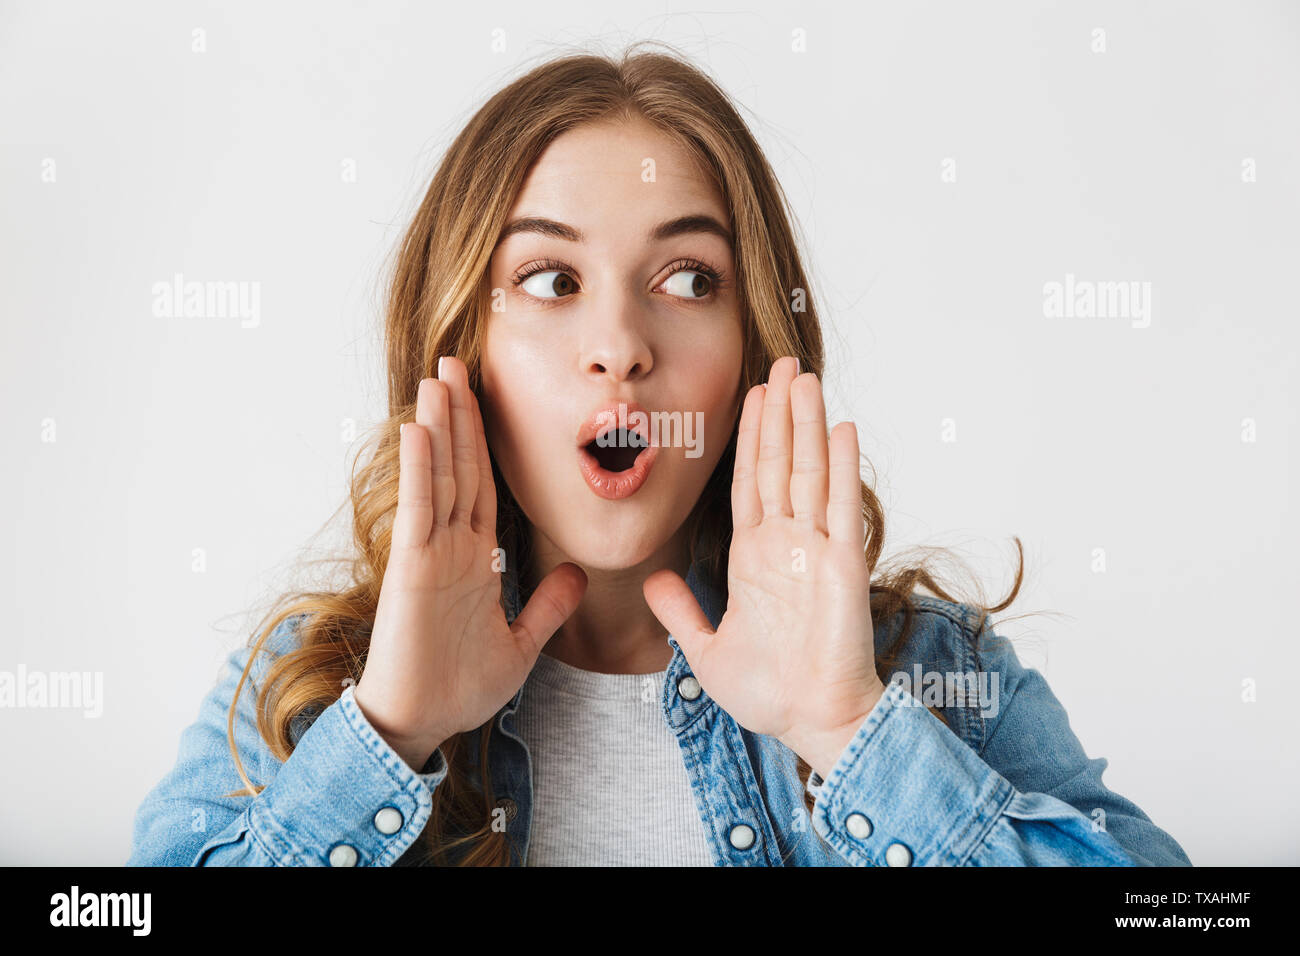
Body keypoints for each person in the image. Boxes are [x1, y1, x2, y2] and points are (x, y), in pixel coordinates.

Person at [127, 43, 1191, 867]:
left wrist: (849, 728)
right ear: (461, 346)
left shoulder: (920, 672)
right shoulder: (315, 689)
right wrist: (390, 732)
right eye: (551, 280)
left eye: (688, 279)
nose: (621, 349)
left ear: (756, 350)